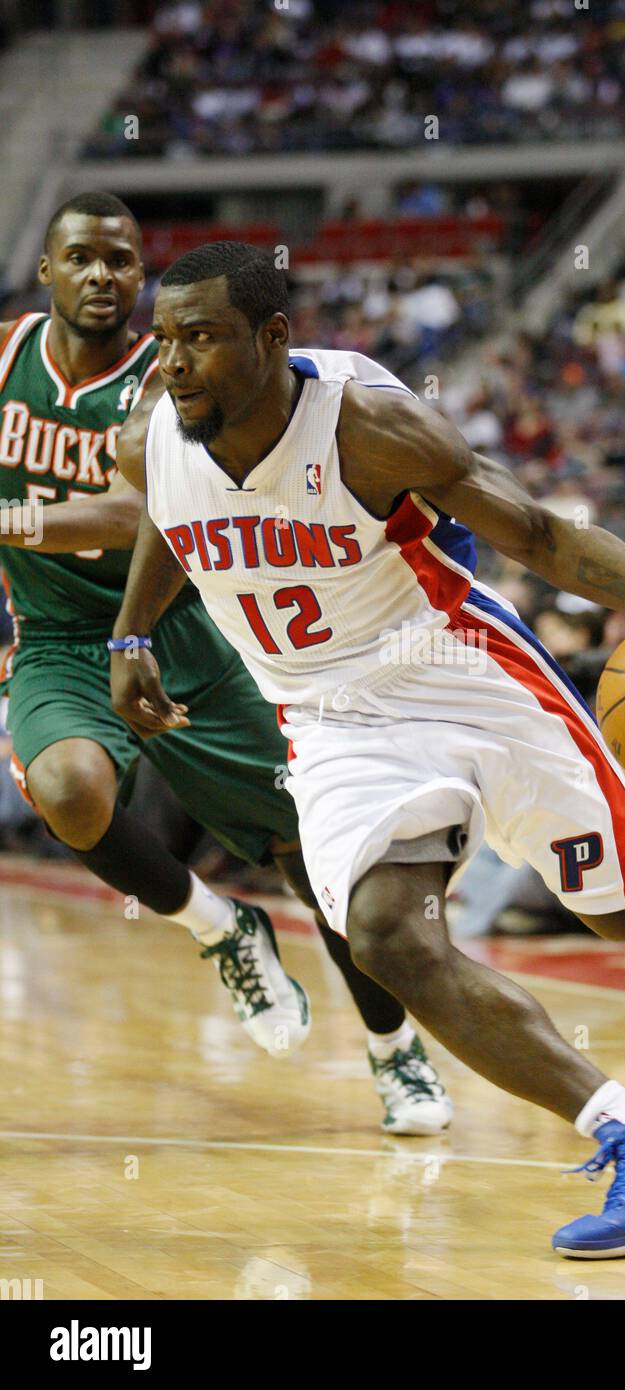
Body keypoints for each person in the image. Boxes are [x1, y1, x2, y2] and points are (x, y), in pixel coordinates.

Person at [111, 241, 625, 1259]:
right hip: (330, 722)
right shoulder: (151, 439)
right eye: (163, 340)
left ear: (273, 337)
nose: (173, 362)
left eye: (200, 338)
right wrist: (129, 635)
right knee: (388, 937)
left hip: (459, 673)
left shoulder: (371, 428)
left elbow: (542, 537)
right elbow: (171, 517)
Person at [0, 194, 450, 1136]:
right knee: (69, 789)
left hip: (190, 630)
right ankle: (219, 928)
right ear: (45, 272)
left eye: (121, 260)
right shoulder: (5, 361)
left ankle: (391, 1048)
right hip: (56, 642)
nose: (102, 276)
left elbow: (150, 510)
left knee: (310, 854)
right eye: (81, 257)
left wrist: (18, 521)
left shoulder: (169, 373)